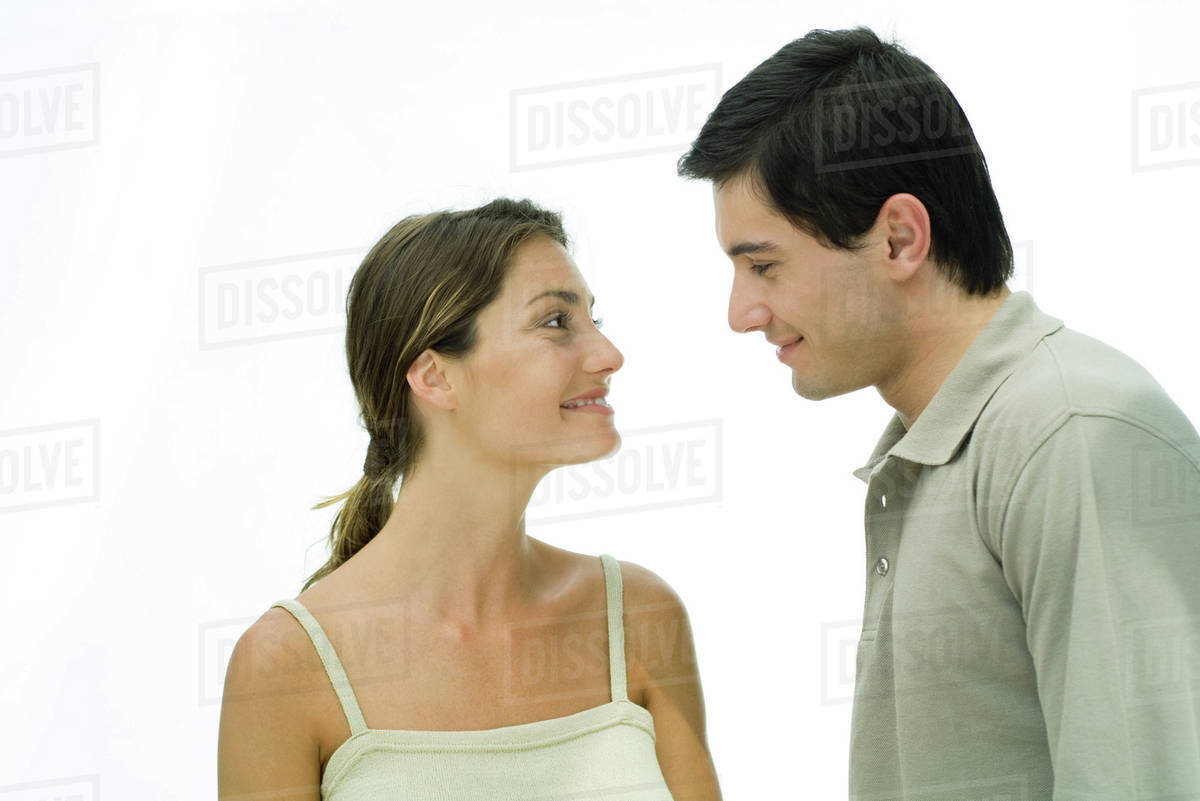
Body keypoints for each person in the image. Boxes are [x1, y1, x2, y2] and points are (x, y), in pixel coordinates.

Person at [677, 25, 1200, 801]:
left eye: (763, 265)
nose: (742, 311)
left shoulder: (1071, 432)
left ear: (899, 238)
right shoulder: (943, 447)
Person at [216, 198, 723, 800]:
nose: (608, 355)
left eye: (593, 319)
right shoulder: (286, 666)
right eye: (557, 322)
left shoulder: (636, 618)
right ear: (435, 377)